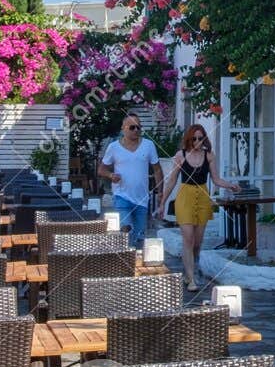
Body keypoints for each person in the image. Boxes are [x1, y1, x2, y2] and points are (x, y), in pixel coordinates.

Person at [160, 124, 239, 291]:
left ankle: (190, 269)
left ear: (204, 139)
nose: (197, 141)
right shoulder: (180, 156)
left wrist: (230, 185)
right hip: (185, 197)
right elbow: (172, 180)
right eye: (194, 138)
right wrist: (163, 202)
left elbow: (216, 179)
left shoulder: (209, 155)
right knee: (188, 238)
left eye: (200, 138)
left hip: (203, 196)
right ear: (189, 139)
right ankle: (191, 278)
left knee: (197, 241)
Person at [99, 114, 158, 248]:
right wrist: (111, 175)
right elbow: (101, 170)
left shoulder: (148, 145)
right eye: (132, 127)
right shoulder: (113, 147)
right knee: (126, 229)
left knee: (139, 237)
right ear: (123, 128)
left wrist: (160, 192)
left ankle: (135, 263)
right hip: (121, 196)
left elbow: (157, 169)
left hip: (142, 199)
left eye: (138, 127)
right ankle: (125, 260)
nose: (136, 130)